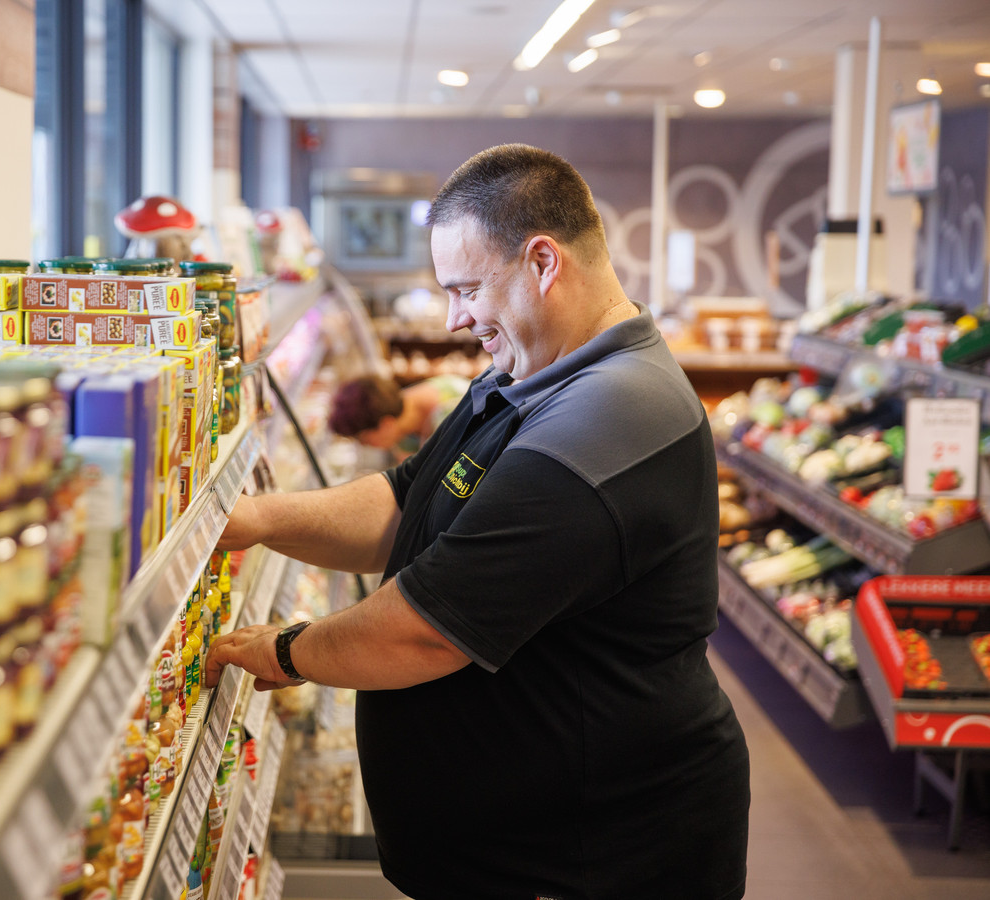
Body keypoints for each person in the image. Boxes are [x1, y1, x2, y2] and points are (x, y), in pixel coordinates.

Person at [204, 144, 750, 900]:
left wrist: (285, 651)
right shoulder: (525, 373)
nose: (457, 318)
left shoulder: (613, 414)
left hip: (589, 855)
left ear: (542, 263)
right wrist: (257, 518)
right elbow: (406, 501)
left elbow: (429, 628)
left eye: (466, 289)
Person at [327, 372, 470, 460]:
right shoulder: (401, 417)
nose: (366, 447)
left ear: (385, 425)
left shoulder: (453, 411)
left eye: (364, 440)